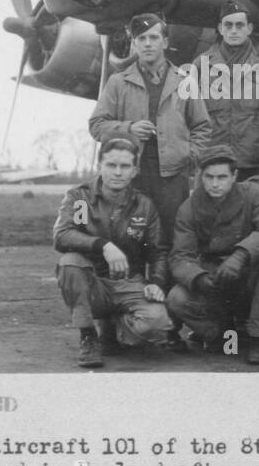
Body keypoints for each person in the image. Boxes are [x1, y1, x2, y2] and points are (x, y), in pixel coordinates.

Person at [89, 13, 211, 246]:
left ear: (165, 42)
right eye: (141, 38)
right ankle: (131, 282)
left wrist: (188, 156)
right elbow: (96, 125)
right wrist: (129, 128)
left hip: (172, 179)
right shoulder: (118, 82)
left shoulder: (185, 81)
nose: (147, 43)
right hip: (132, 175)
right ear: (134, 43)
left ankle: (164, 283)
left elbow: (202, 126)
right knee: (130, 237)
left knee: (171, 239)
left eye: (153, 37)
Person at [52, 137, 174, 368]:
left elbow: (158, 251)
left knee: (157, 327)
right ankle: (88, 335)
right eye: (111, 165)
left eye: (125, 166)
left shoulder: (143, 205)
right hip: (93, 283)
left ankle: (114, 327)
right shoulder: (82, 200)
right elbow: (62, 235)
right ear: (99, 166)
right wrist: (103, 245)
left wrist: (157, 281)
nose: (117, 172)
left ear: (135, 170)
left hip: (129, 283)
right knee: (70, 262)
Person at [166, 146, 259, 361]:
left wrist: (240, 256)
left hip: (248, 270)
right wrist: (198, 278)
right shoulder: (189, 208)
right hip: (212, 273)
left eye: (222, 177)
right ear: (201, 177)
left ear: (234, 176)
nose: (215, 183)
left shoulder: (253, 193)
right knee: (176, 298)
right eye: (209, 177)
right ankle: (219, 333)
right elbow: (180, 255)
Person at [191, 0, 259, 181]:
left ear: (249, 28)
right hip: (214, 157)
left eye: (239, 25)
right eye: (228, 25)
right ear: (220, 28)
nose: (234, 30)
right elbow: (193, 113)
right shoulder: (201, 64)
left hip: (252, 158)